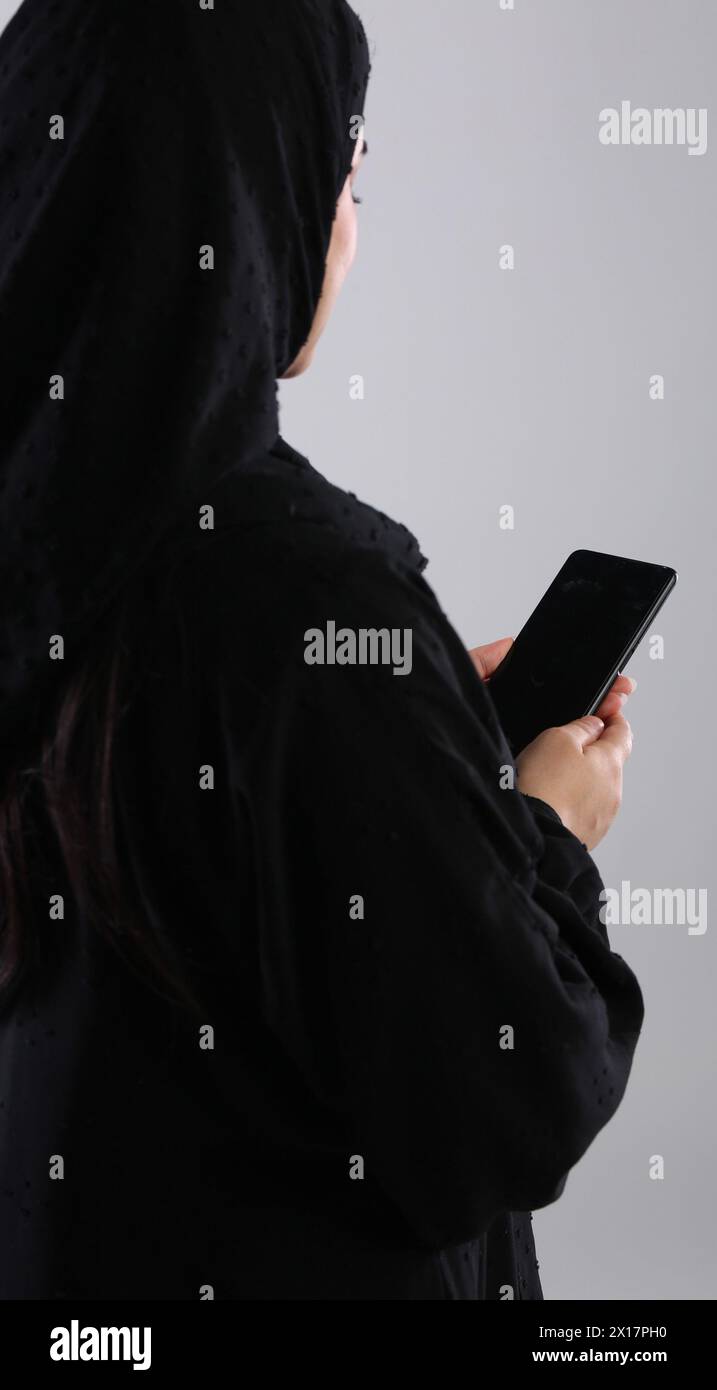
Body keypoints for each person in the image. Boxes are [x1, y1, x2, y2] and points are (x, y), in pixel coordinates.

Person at [0, 0, 643, 1301]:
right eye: (344, 172)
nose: (348, 227)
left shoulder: (50, 540)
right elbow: (499, 1101)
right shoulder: (298, 584)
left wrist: (417, 729)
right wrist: (540, 830)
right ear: (251, 191)